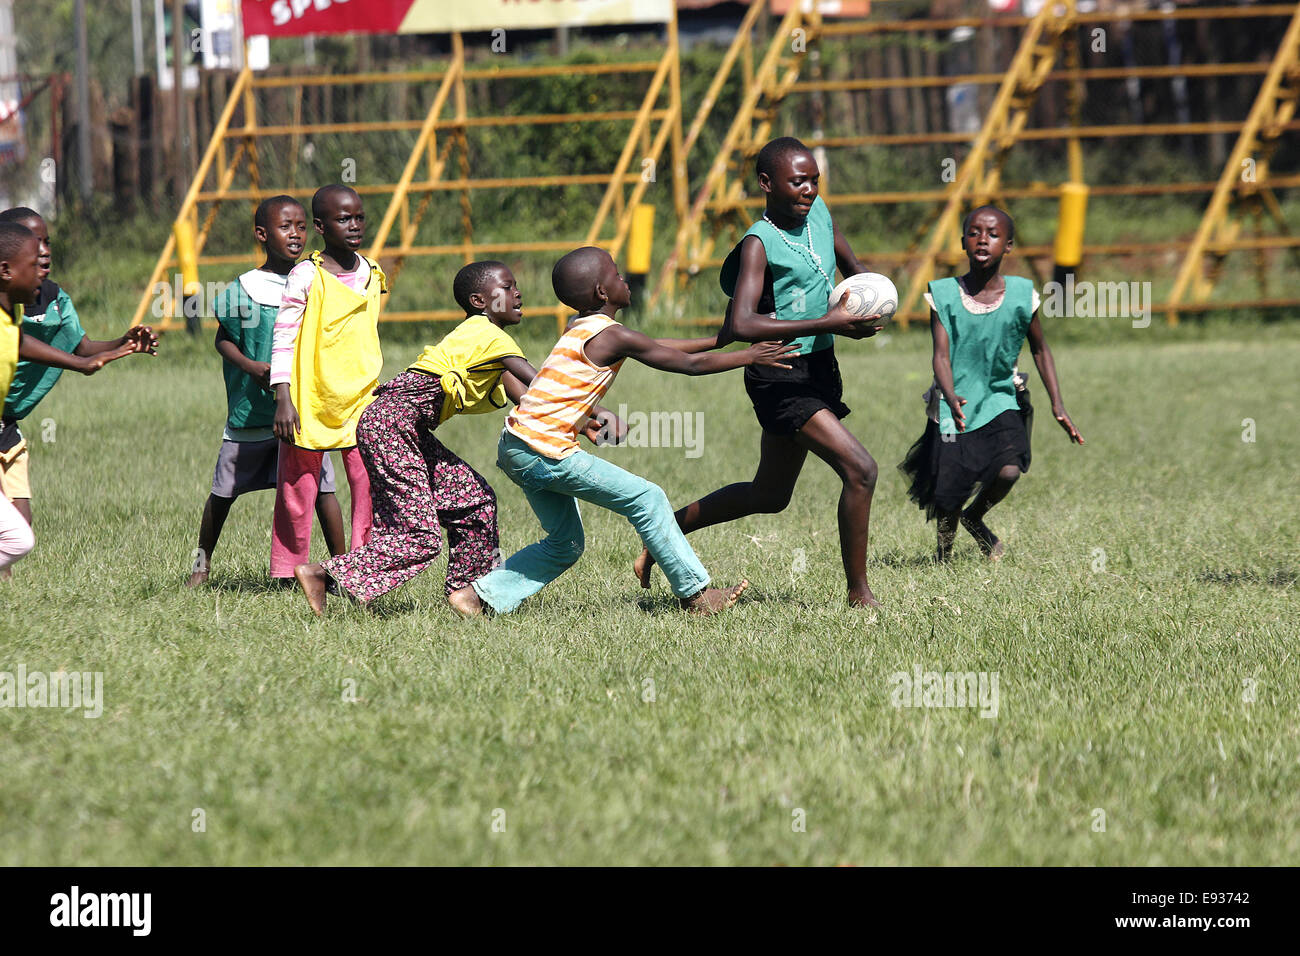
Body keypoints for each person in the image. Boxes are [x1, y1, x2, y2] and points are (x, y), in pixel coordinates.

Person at [453, 246, 797, 618]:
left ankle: (477, 598)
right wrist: (749, 356)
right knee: (647, 498)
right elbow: (687, 364)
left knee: (565, 544)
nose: (625, 280)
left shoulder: (581, 328)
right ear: (603, 292)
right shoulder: (611, 336)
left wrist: (721, 340)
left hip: (518, 445)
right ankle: (696, 595)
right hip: (543, 448)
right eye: (617, 275)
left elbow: (656, 347)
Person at [633, 137, 887, 608]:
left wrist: (872, 300)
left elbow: (854, 270)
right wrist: (829, 321)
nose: (809, 189)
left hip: (820, 367)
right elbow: (744, 323)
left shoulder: (821, 215)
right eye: (798, 181)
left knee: (770, 494)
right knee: (861, 469)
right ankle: (860, 594)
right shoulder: (758, 242)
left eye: (814, 180)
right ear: (767, 184)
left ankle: (663, 532)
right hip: (779, 372)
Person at [293, 260, 580, 614]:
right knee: (420, 536)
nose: (517, 292)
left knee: (475, 501)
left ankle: (469, 595)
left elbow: (529, 400)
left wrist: (577, 424)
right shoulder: (489, 335)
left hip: (401, 427)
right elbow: (540, 387)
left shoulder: (484, 346)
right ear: (479, 301)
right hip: (391, 425)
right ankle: (324, 574)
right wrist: (592, 410)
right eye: (506, 287)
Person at [898, 205, 1084, 561]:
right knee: (950, 489)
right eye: (974, 232)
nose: (983, 239)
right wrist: (950, 395)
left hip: (1001, 396)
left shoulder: (1022, 295)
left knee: (1009, 469)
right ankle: (943, 556)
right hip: (954, 405)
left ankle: (976, 516)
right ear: (964, 242)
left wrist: (1057, 404)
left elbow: (1041, 350)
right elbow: (940, 355)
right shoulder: (943, 294)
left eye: (994, 234)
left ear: (1009, 245)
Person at [187, 196, 345, 587]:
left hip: (302, 415)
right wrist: (250, 367)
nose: (295, 234)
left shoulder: (315, 279)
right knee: (223, 494)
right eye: (285, 226)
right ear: (262, 234)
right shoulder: (245, 289)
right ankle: (200, 566)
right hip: (252, 414)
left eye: (301, 226)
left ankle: (347, 569)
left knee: (324, 490)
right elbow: (224, 340)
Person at [0, 207, 157, 528]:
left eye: (46, 243)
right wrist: (82, 363)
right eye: (33, 245)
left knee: (19, 534)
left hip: (8, 426)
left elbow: (81, 346)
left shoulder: (53, 299)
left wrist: (122, 343)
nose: (43, 252)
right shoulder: (9, 303)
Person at [269, 185, 384, 584]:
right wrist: (283, 397)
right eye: (343, 219)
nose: (354, 226)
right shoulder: (305, 275)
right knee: (297, 492)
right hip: (310, 399)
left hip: (362, 398)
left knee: (367, 485)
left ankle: (360, 569)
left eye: (359, 217)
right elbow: (282, 338)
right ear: (320, 226)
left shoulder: (372, 272)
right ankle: (288, 572)